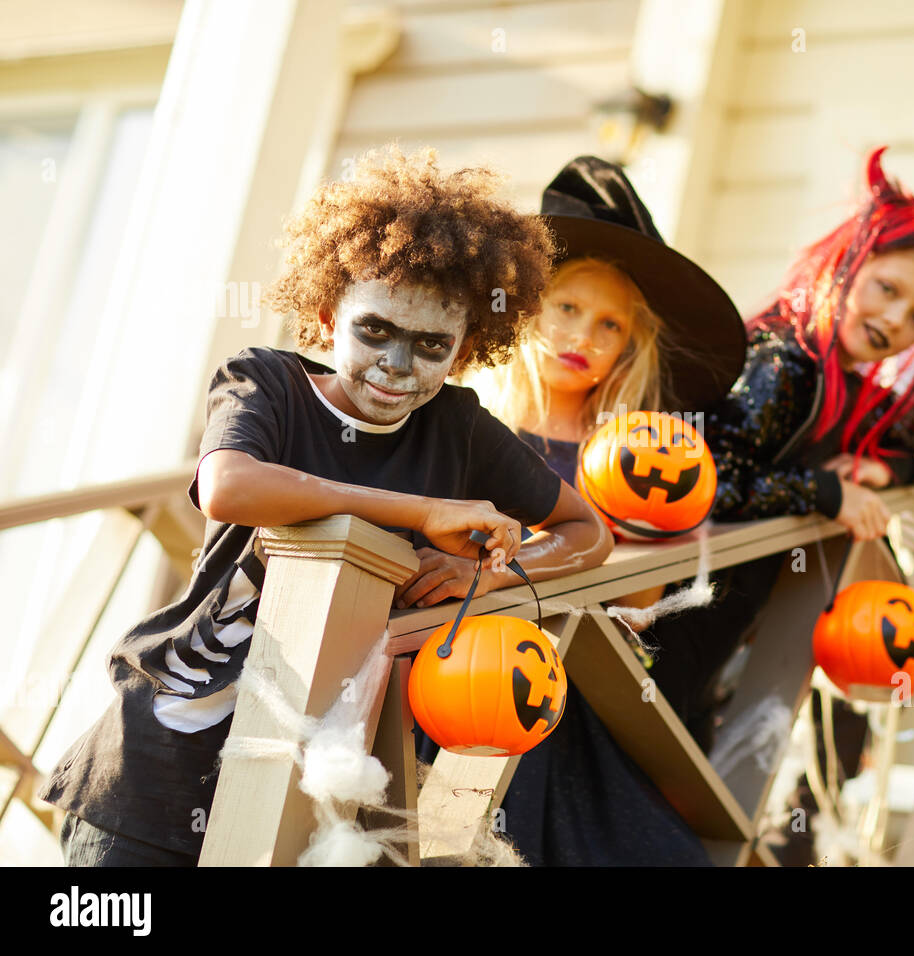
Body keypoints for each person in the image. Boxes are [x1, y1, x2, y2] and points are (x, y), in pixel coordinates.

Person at [39, 146, 613, 867]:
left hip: (316, 786)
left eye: (431, 344)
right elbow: (229, 487)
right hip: (156, 766)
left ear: (465, 351)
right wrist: (421, 510)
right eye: (376, 330)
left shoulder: (460, 428)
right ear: (325, 312)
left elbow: (585, 530)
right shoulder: (267, 385)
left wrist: (492, 574)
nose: (398, 367)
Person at [447, 155, 747, 866]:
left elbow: (640, 601)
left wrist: (636, 532)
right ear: (526, 310)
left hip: (577, 684)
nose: (584, 336)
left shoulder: (640, 456)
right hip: (457, 664)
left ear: (627, 349)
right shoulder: (464, 422)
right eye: (567, 308)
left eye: (610, 326)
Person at [647, 146, 914, 748]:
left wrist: (886, 469)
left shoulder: (848, 386)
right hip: (665, 628)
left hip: (725, 637)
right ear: (846, 264)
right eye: (886, 289)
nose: (895, 321)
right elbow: (710, 485)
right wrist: (825, 490)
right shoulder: (782, 361)